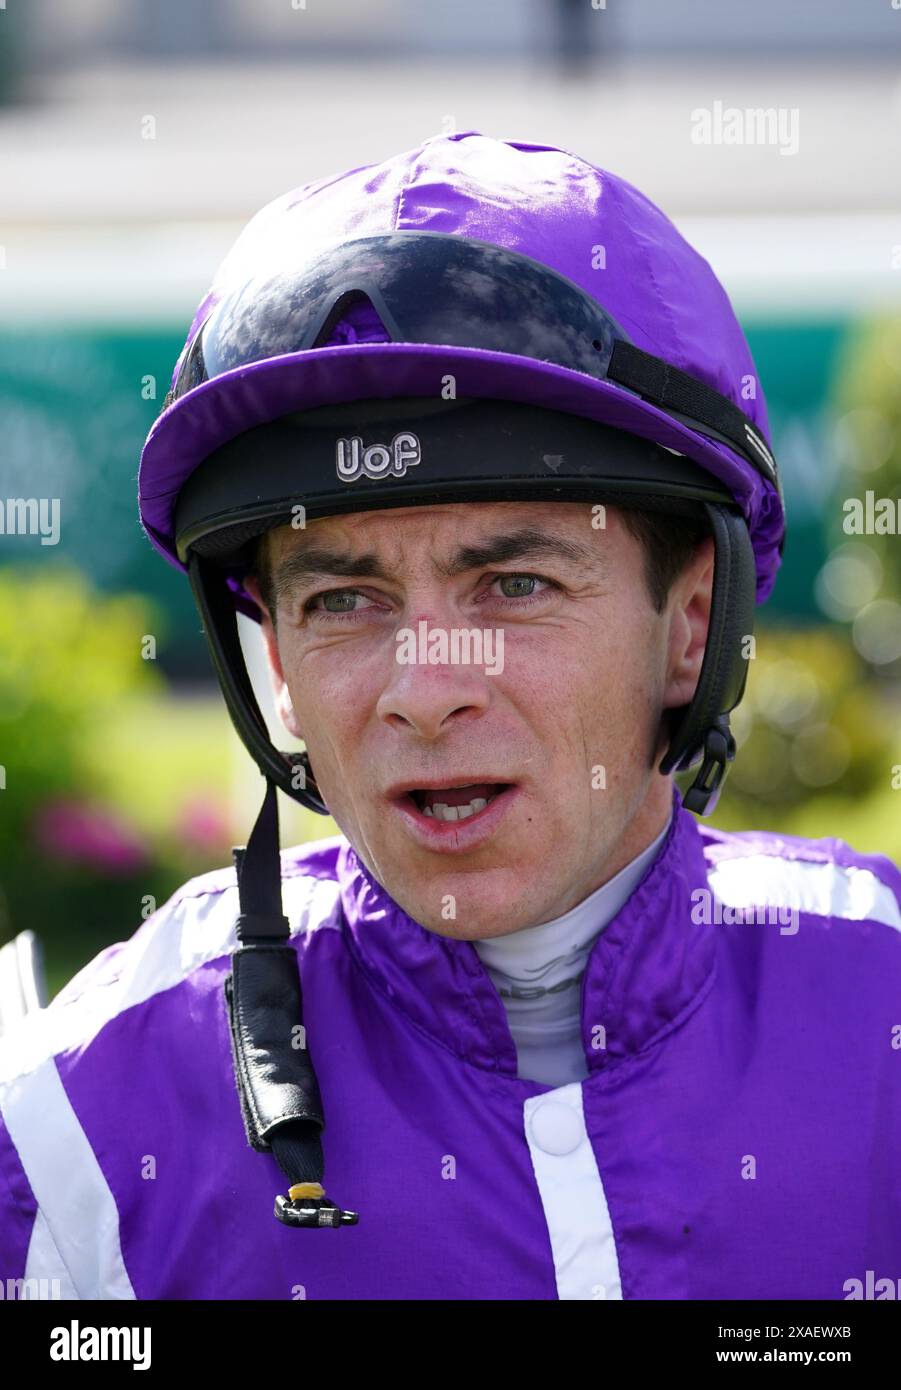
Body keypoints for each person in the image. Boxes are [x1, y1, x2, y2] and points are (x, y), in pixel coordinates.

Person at [1, 131, 899, 1301]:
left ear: (688, 626)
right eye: (342, 599)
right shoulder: (74, 1121)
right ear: (269, 649)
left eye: (513, 585)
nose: (425, 688)